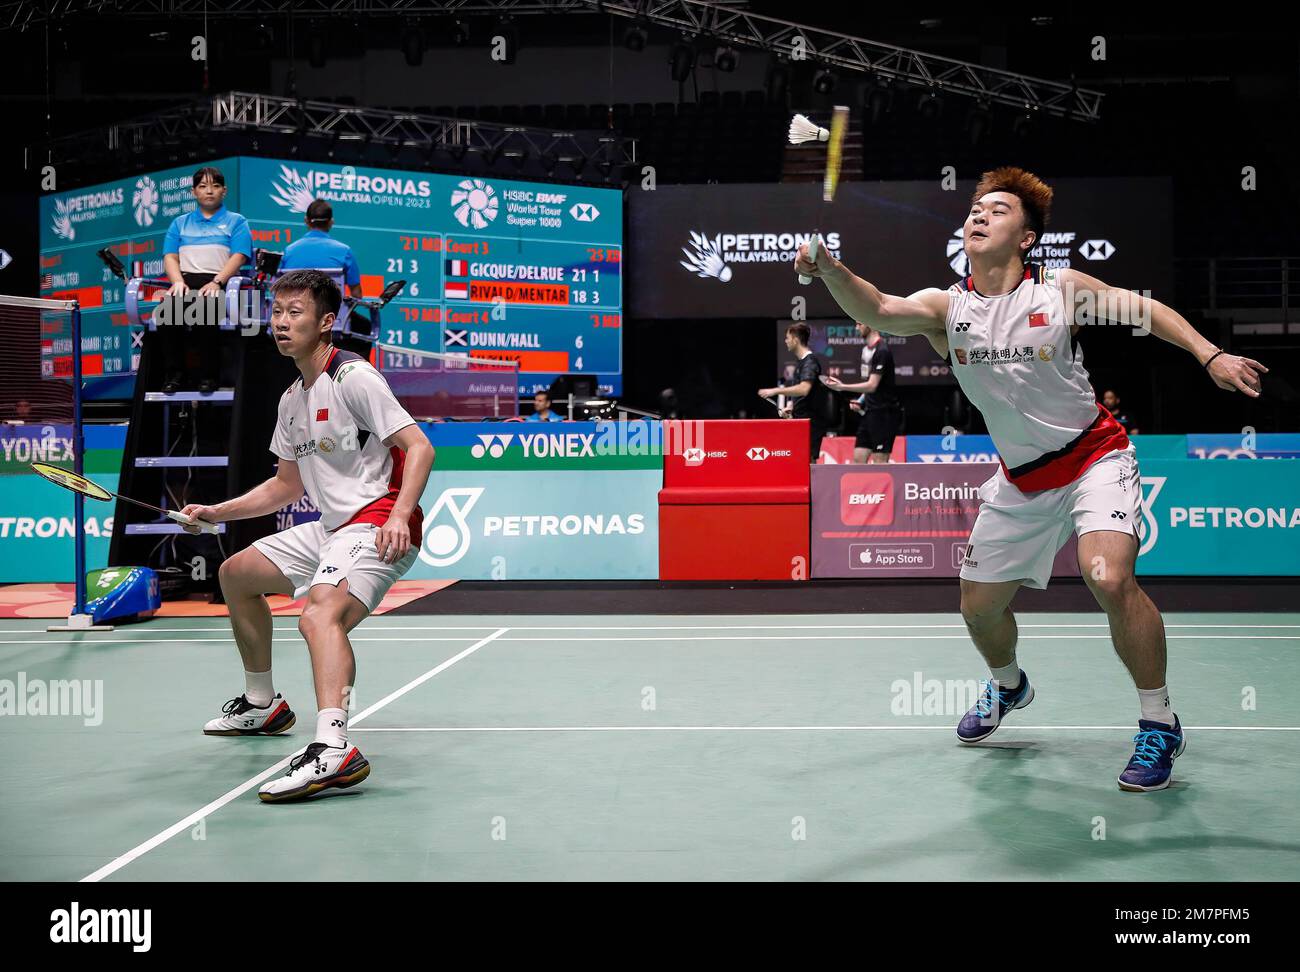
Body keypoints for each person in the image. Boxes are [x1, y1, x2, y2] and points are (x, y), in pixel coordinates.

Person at [794, 166, 1267, 791]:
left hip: (1093, 456)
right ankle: (1010, 686)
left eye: (997, 209)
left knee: (1108, 575)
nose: (978, 215)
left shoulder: (1061, 290)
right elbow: (879, 307)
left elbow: (1146, 311)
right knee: (978, 610)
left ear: (1026, 238)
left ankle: (1159, 722)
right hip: (1020, 481)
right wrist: (828, 266)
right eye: (974, 209)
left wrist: (1211, 354)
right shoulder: (947, 310)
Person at [178, 269, 435, 803]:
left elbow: (420, 447)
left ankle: (334, 747)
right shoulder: (293, 399)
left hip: (381, 519)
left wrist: (397, 514)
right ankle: (262, 703)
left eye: (295, 312)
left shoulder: (354, 377)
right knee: (236, 574)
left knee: (320, 615)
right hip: (332, 527)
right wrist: (217, 511)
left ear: (325, 322)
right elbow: (284, 484)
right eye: (276, 312)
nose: (281, 322)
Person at [159, 166, 253, 393]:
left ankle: (209, 377)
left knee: (205, 311)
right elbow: (171, 257)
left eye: (215, 186)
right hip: (187, 282)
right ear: (194, 192)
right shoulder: (179, 223)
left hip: (222, 283)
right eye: (203, 186)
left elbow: (239, 257)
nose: (209, 191)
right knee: (166, 312)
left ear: (224, 191)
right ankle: (175, 376)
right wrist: (177, 282)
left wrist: (217, 282)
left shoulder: (237, 222)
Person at [824, 322, 902, 463]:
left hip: (884, 413)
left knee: (880, 461)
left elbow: (872, 385)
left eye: (859, 324)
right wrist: (860, 401)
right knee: (858, 458)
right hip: (869, 412)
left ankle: (882, 486)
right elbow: (867, 385)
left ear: (870, 323)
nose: (856, 328)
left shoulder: (882, 350)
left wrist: (842, 386)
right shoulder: (866, 350)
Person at [758, 322, 828, 461]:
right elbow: (802, 396)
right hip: (801, 420)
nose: (786, 341)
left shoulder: (810, 362)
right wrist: (790, 408)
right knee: (800, 463)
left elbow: (804, 389)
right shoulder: (801, 363)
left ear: (796, 340)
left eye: (787, 338)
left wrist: (776, 391)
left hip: (810, 423)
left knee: (809, 464)